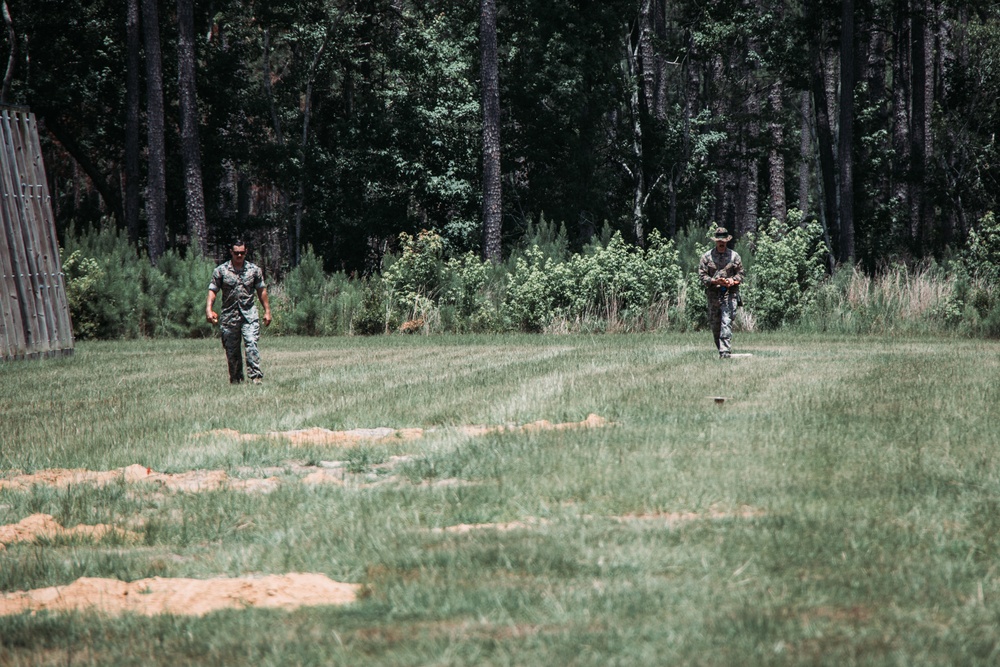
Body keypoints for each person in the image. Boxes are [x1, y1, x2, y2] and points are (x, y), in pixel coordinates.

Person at [206, 240, 272, 384]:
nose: (239, 255)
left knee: (251, 344)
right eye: (236, 253)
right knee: (232, 351)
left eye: (242, 252)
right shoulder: (221, 271)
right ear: (231, 252)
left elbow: (262, 291)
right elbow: (213, 290)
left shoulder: (254, 270)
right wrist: (209, 309)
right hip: (229, 316)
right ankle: (236, 379)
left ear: (246, 251)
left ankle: (256, 377)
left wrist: (267, 311)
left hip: (249, 315)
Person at [698, 226, 745, 359]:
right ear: (715, 241)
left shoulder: (734, 256)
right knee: (715, 324)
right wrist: (715, 281)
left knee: (726, 320)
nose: (721, 243)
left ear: (727, 241)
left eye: (724, 241)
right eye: (719, 241)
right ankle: (721, 349)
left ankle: (725, 352)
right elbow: (702, 276)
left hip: (730, 294)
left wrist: (732, 281)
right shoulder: (707, 257)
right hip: (713, 295)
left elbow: (741, 274)